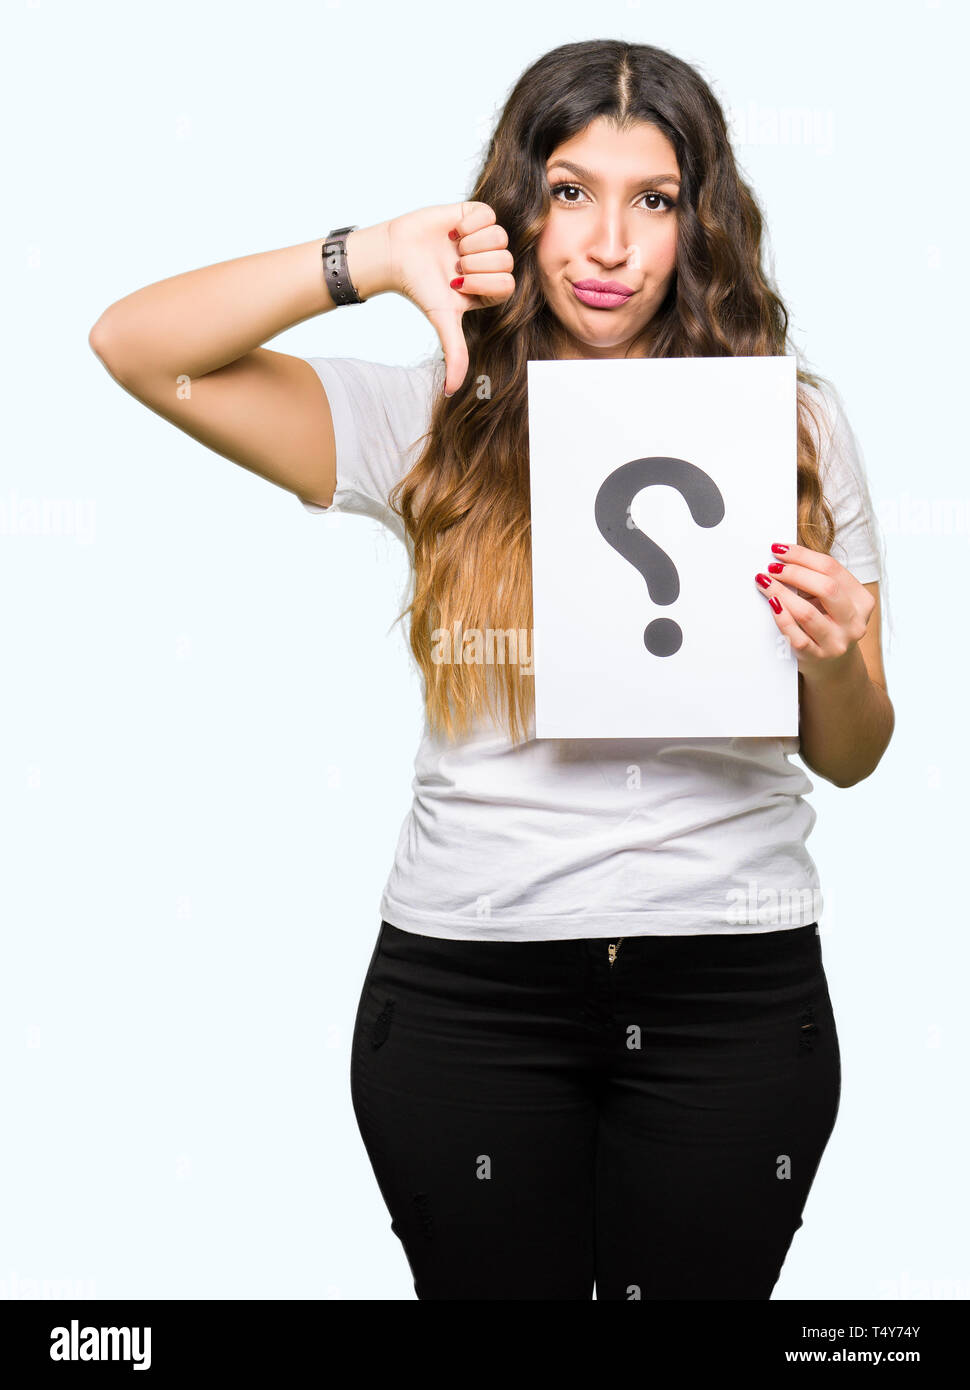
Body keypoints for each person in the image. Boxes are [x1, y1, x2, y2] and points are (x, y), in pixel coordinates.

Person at [89, 39, 895, 1300]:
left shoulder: (791, 421)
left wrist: (838, 661)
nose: (609, 244)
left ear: (702, 219)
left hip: (727, 985)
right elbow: (140, 348)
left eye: (654, 199)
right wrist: (370, 255)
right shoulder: (436, 411)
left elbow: (850, 753)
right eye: (571, 192)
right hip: (473, 985)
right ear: (517, 208)